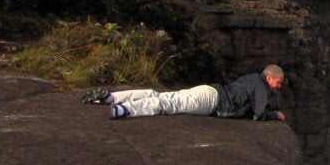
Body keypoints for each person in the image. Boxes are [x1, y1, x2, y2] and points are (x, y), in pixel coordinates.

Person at [82, 64, 287, 122]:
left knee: (162, 96)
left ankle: (111, 97)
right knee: (168, 105)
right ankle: (125, 109)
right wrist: (275, 114)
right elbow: (259, 114)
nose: (278, 86)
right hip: (210, 101)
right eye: (278, 83)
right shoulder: (261, 86)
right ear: (269, 78)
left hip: (209, 91)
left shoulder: (252, 78)